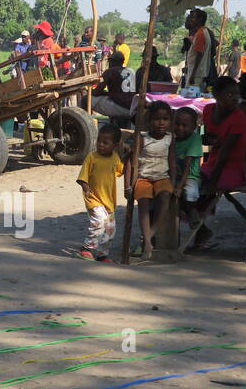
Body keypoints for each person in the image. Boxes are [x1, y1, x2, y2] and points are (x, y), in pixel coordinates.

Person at [188, 77, 246, 252]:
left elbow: (225, 153)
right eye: (230, 94)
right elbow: (209, 138)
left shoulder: (239, 117)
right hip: (212, 164)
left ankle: (200, 230)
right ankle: (201, 229)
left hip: (232, 168)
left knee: (198, 188)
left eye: (237, 94)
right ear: (216, 95)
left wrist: (212, 181)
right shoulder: (208, 111)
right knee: (185, 185)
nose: (235, 98)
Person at [123, 102, 176, 261]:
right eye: (157, 119)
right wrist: (127, 187)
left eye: (165, 119)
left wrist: (173, 183)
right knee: (144, 203)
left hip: (162, 177)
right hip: (143, 177)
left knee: (165, 197)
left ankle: (147, 239)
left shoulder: (170, 139)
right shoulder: (142, 138)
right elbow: (130, 163)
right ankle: (147, 242)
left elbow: (172, 162)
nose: (161, 123)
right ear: (149, 121)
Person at [75, 124, 126, 261]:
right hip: (93, 198)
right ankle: (87, 248)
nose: (100, 145)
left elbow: (121, 170)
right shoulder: (92, 157)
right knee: (99, 221)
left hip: (108, 201)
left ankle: (102, 254)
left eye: (105, 142)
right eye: (99, 141)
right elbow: (82, 177)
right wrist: (85, 188)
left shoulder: (115, 158)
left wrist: (128, 153)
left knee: (110, 229)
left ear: (114, 145)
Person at [172, 106, 204, 227]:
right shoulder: (172, 138)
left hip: (190, 176)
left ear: (194, 127)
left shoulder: (195, 138)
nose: (180, 128)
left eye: (185, 125)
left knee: (189, 192)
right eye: (177, 124)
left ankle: (192, 212)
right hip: (175, 175)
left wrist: (180, 186)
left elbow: (187, 165)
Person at [92, 50, 134, 123]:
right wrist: (108, 93)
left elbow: (97, 92)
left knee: (85, 100)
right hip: (132, 107)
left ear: (111, 61)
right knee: (109, 98)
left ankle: (87, 125)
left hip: (120, 106)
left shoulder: (110, 71)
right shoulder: (131, 71)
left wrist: (89, 91)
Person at [180, 8, 215, 89]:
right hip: (199, 71)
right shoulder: (204, 31)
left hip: (196, 73)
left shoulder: (200, 34)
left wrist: (193, 74)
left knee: (190, 96)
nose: (191, 20)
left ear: (199, 19)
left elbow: (199, 54)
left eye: (193, 17)